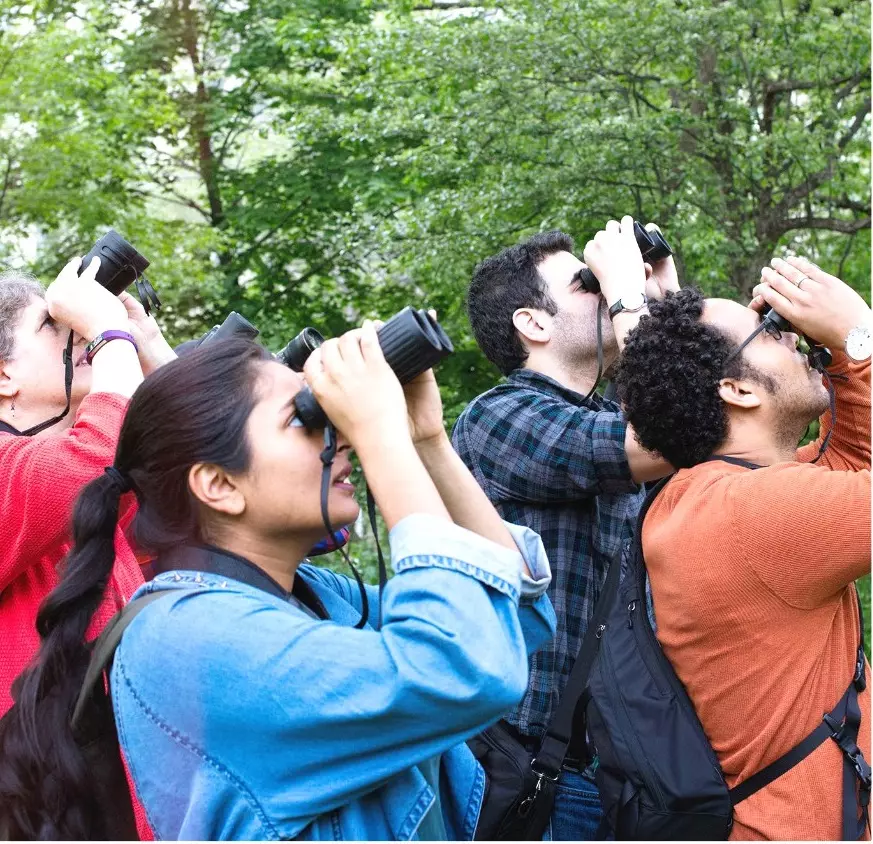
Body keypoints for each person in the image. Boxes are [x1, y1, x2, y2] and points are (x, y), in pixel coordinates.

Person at [0, 327, 557, 840]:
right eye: (303, 420)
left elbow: (515, 618)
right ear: (218, 484)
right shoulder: (189, 637)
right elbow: (464, 668)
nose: (339, 439)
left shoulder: (308, 593)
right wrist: (379, 435)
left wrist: (424, 441)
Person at [614, 256, 871, 840]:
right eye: (771, 332)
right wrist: (860, 334)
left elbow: (857, 460)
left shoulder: (703, 499)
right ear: (736, 388)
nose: (792, 337)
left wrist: (849, 364)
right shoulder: (758, 515)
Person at [452, 216, 673, 839]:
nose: (604, 289)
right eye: (586, 283)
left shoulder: (612, 416)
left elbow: (707, 436)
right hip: (522, 759)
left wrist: (661, 301)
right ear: (533, 322)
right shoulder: (498, 417)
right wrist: (630, 300)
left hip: (614, 768)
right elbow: (664, 437)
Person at [0, 256, 175, 714]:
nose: (77, 330)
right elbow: (93, 464)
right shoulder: (19, 474)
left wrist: (149, 346)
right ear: (3, 375)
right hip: (36, 780)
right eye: (53, 324)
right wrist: (106, 330)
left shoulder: (95, 484)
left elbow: (220, 477)